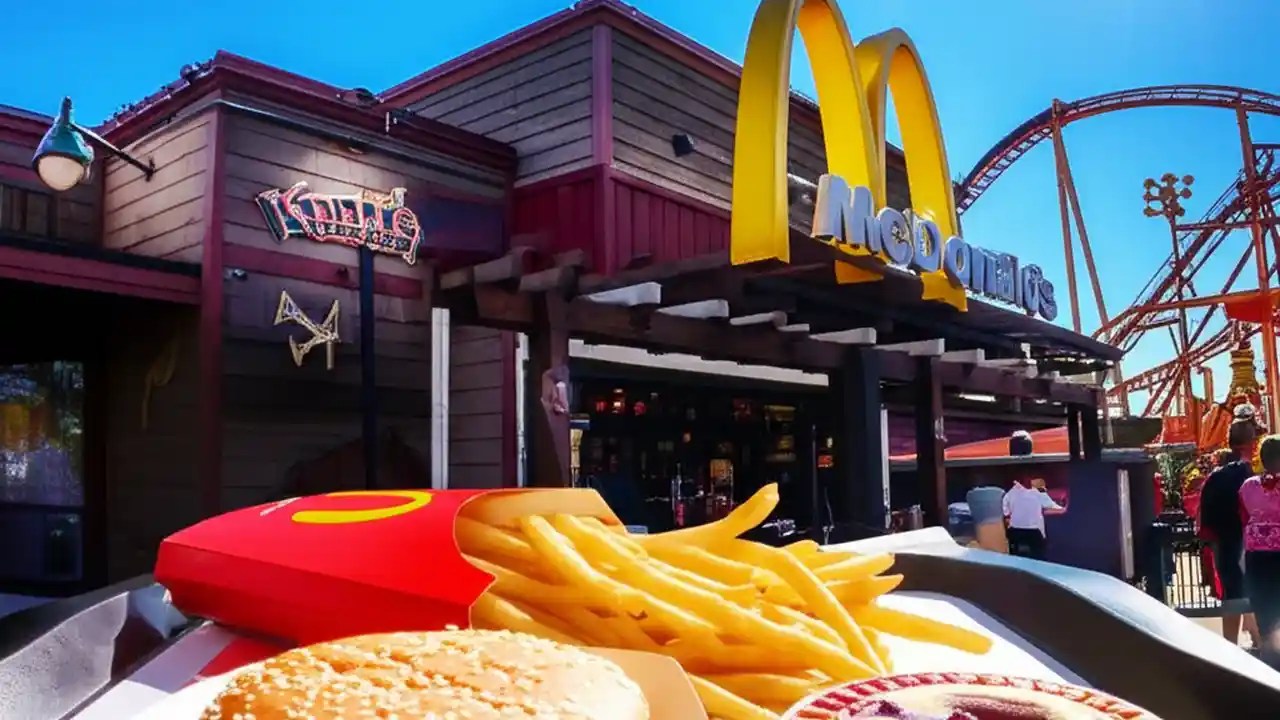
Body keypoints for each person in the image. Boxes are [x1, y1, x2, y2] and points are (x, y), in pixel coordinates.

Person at [1199, 420, 1261, 648]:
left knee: (1232, 592)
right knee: (1251, 592)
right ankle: (1259, 643)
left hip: (1223, 542)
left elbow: (1205, 515)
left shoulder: (1216, 477)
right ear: (1252, 444)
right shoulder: (1253, 476)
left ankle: (1231, 646)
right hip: (1251, 542)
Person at [1240, 434, 1280, 668]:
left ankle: (1269, 664)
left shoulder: (1248, 486)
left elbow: (1244, 516)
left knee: (1264, 610)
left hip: (1257, 556)